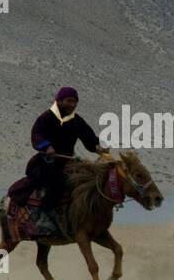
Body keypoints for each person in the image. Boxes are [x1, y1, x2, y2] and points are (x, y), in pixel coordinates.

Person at [15, 87, 107, 235]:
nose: (72, 104)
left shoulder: (76, 120)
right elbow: (37, 134)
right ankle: (44, 216)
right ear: (58, 101)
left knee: (88, 182)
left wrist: (98, 147)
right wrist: (47, 146)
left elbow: (88, 137)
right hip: (47, 162)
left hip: (68, 162)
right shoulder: (46, 117)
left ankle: (82, 218)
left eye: (75, 101)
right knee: (57, 182)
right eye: (69, 101)